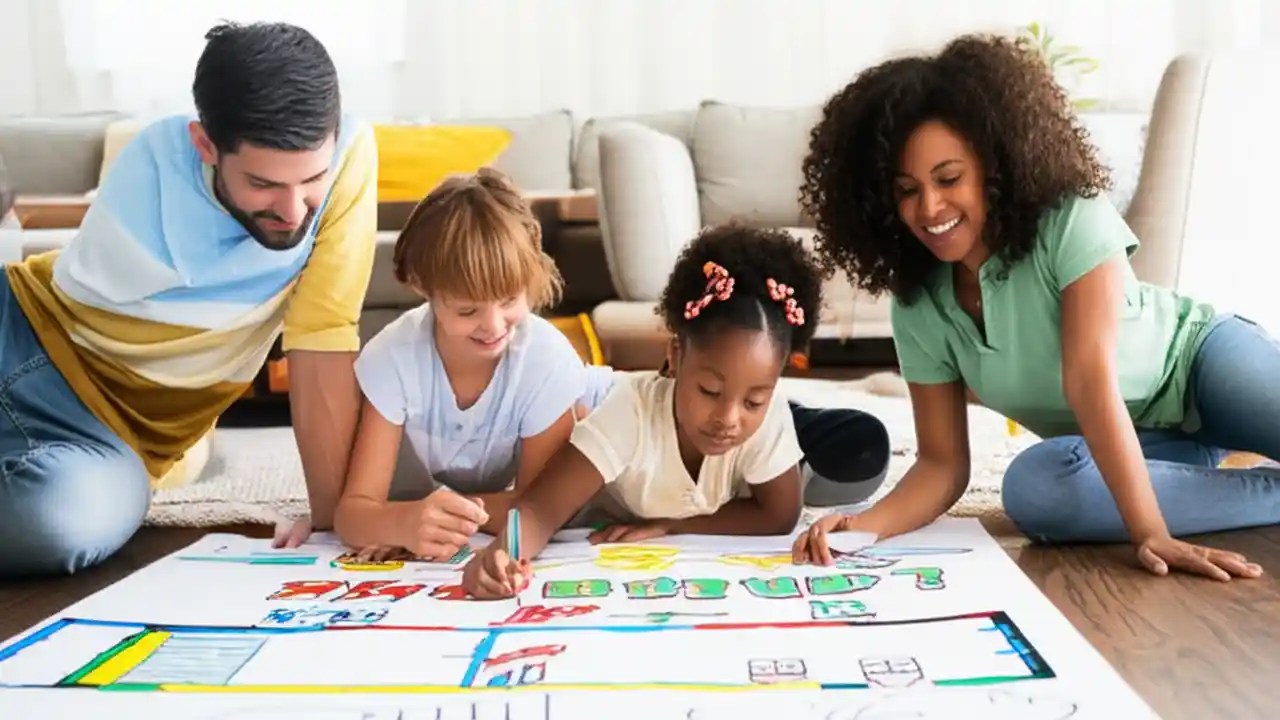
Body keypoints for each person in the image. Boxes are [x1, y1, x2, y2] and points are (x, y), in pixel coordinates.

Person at [791, 33, 1272, 582]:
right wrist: (864, 526)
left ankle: (1182, 493)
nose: (929, 207)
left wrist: (1149, 533)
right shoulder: (918, 305)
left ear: (993, 170)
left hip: (1205, 366)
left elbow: (1089, 380)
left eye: (949, 179)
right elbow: (943, 465)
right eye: (906, 190)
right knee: (1037, 490)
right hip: (1137, 447)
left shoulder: (1070, 221)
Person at [0, 21, 377, 577]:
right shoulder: (157, 154)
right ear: (205, 144)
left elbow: (322, 338)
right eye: (264, 184)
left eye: (311, 180)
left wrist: (332, 520)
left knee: (55, 525)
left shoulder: (350, 160)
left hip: (108, 437)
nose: (295, 211)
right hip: (19, 324)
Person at [462, 224, 834, 599]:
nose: (729, 418)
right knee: (492, 508)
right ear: (675, 357)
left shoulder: (769, 418)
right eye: (710, 391)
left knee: (858, 450)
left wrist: (671, 525)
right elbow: (541, 510)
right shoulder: (630, 413)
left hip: (674, 497)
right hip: (585, 410)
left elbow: (779, 515)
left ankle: (814, 429)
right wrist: (500, 557)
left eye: (754, 401)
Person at [333, 168, 614, 560]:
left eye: (509, 301)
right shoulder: (392, 358)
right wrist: (403, 522)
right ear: (421, 286)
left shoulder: (546, 359)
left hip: (626, 425)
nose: (494, 326)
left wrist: (431, 513)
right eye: (468, 310)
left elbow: (539, 509)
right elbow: (353, 513)